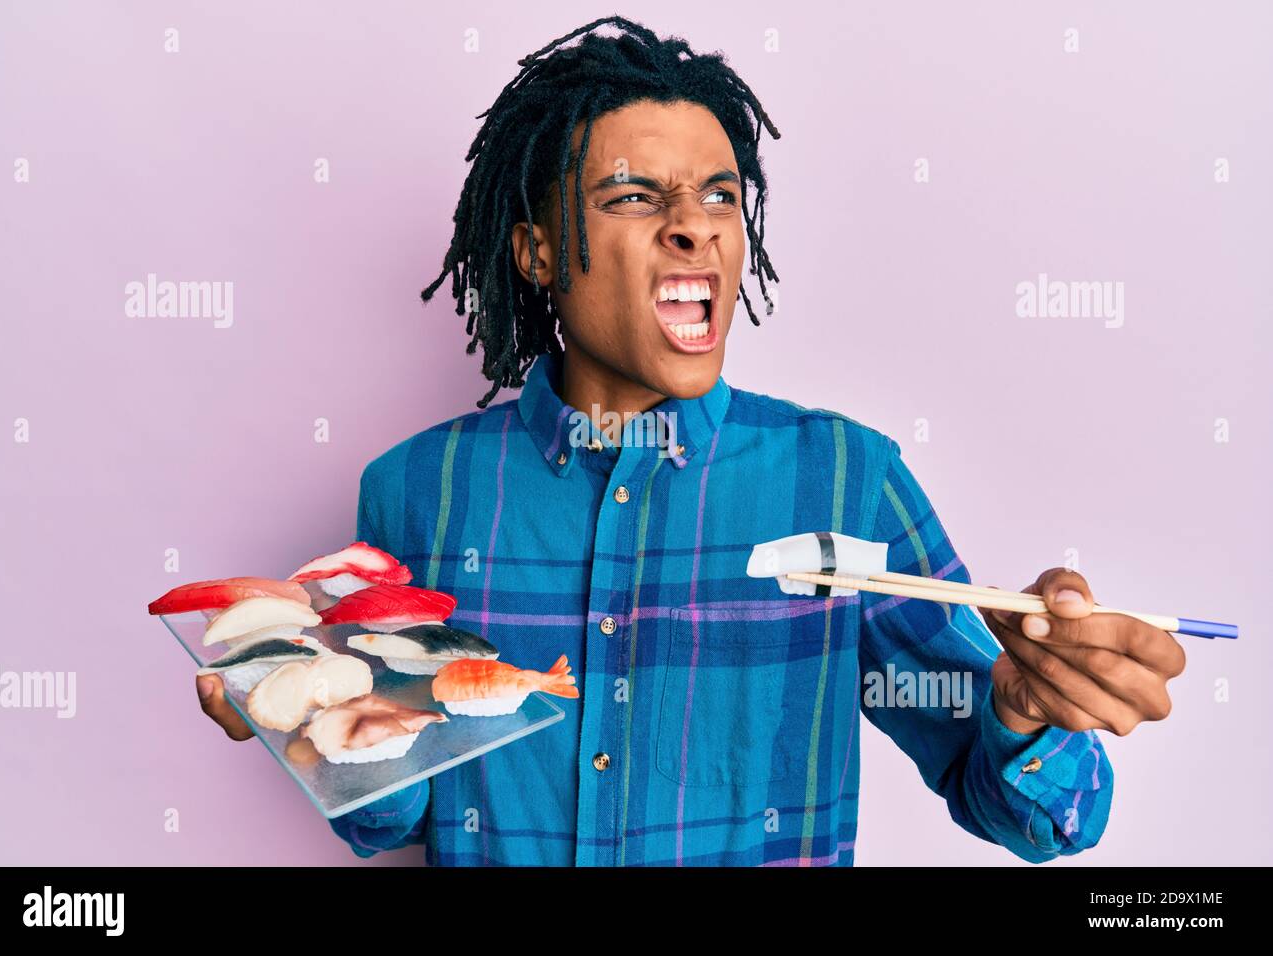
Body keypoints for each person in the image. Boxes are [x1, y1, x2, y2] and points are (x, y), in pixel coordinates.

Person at [196, 17, 1185, 866]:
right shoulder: (418, 490)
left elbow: (1035, 815)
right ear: (539, 251)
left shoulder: (842, 477)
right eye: (634, 196)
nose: (693, 228)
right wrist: (317, 722)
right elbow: (392, 819)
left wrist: (1022, 707)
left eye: (718, 194)